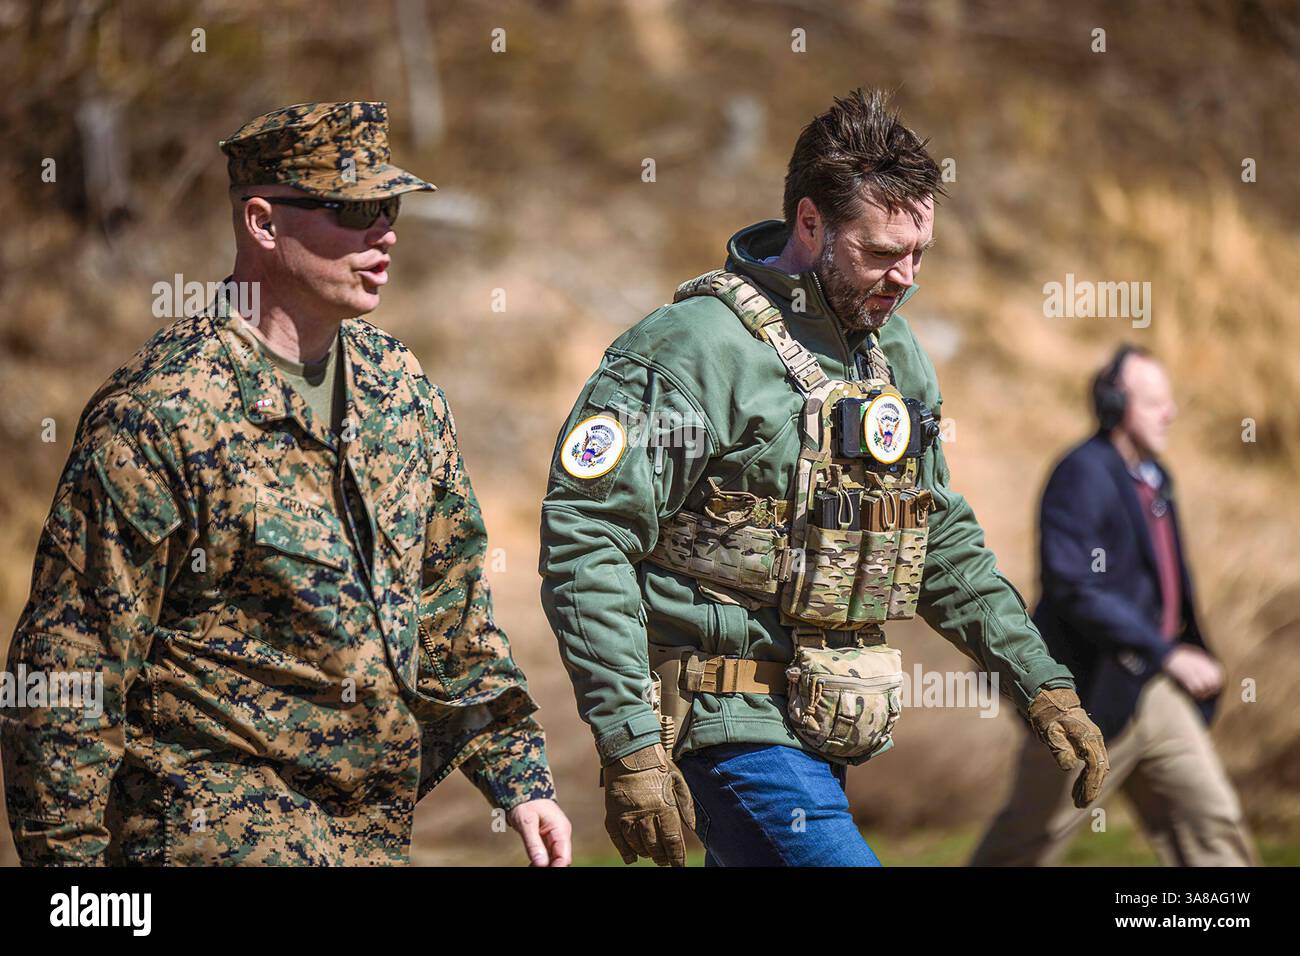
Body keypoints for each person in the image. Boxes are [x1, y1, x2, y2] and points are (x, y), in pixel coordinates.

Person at [538, 89, 1107, 867]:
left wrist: (1041, 683)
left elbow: (940, 540)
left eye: (918, 255)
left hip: (831, 720)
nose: (904, 277)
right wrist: (630, 747)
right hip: (724, 728)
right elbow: (587, 537)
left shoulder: (894, 356)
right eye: (880, 254)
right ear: (810, 223)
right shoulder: (690, 351)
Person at [2, 101, 570, 866]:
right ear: (264, 223)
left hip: (370, 833)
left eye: (391, 206)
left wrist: (521, 780)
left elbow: (450, 605)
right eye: (355, 209)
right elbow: (67, 674)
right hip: (213, 829)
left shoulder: (395, 385)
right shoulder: (161, 415)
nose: (386, 232)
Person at [970, 345, 1256, 866]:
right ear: (1113, 405)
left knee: (1213, 823)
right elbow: (1074, 584)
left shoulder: (1153, 478)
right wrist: (1165, 652)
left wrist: (1173, 651)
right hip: (1091, 694)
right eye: (1154, 402)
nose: (1170, 413)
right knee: (1030, 841)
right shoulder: (1083, 472)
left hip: (1154, 689)